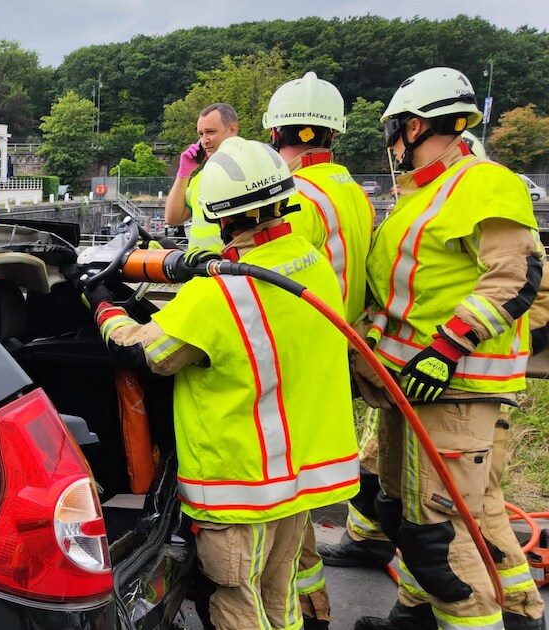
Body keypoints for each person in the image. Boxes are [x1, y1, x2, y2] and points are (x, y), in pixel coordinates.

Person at [84, 137, 360, 630]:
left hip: (241, 486)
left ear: (216, 216)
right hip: (296, 481)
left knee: (236, 602)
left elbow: (144, 351)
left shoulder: (217, 297)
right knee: (279, 596)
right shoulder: (311, 265)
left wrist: (104, 304)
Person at [354, 67, 544, 630]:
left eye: (393, 131)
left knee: (440, 534)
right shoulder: (426, 194)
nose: (390, 145)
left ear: (414, 126)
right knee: (410, 513)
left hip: (452, 386)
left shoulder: (482, 183)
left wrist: (446, 348)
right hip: (412, 386)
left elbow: (513, 278)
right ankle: (415, 616)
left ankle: (472, 620)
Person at [263, 71, 376, 630]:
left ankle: (304, 609)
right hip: (342, 355)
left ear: (280, 133)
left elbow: (261, 273)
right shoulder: (354, 193)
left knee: (287, 494)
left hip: (301, 359)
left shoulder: (297, 197)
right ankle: (310, 604)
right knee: (310, 487)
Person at [164, 103, 238, 253]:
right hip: (200, 268)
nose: (204, 140)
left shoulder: (249, 171)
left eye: (210, 132)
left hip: (232, 269)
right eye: (201, 134)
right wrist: (184, 173)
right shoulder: (201, 178)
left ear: (232, 129)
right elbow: (172, 218)